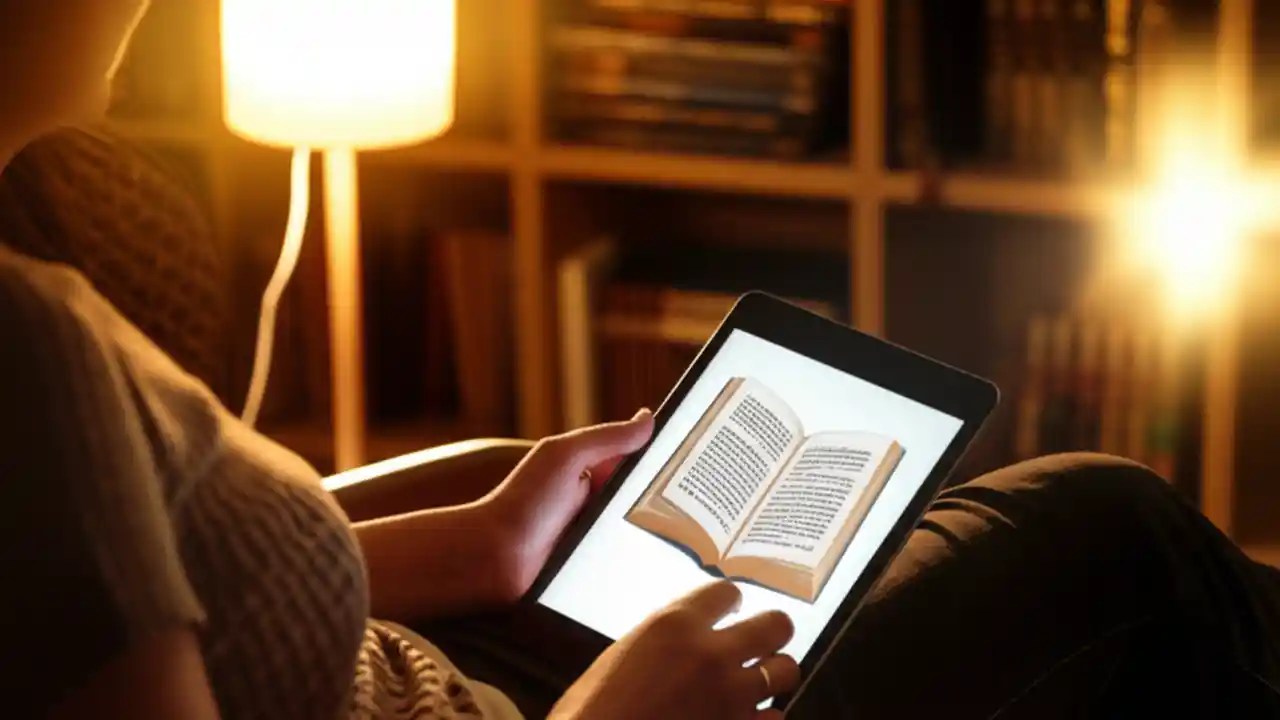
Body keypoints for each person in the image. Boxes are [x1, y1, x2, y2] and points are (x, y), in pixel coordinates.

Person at [1, 3, 1278, 719]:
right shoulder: (31, 347)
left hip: (419, 660)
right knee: (1114, 536)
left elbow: (164, 592)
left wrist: (470, 543)